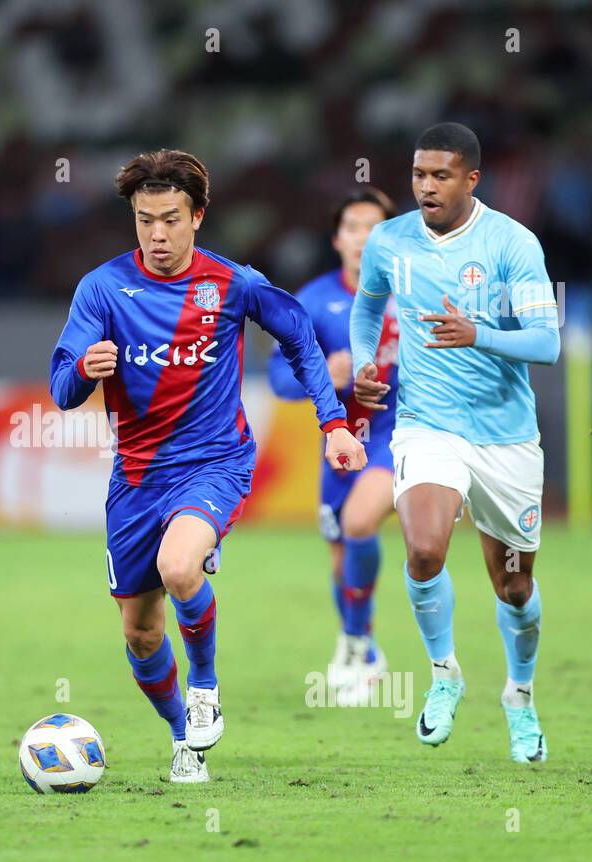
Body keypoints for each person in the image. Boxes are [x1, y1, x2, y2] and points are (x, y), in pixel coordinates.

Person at [49, 149, 366, 783]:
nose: (157, 235)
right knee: (140, 635)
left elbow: (299, 335)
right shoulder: (102, 287)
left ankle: (206, 685)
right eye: (144, 221)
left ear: (198, 215)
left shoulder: (233, 282)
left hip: (215, 462)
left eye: (170, 219)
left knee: (178, 564)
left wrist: (331, 422)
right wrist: (85, 370)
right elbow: (60, 387)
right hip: (136, 479)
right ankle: (182, 739)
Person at [350, 123, 560, 763]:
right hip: (426, 425)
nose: (426, 187)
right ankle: (445, 673)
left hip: (505, 437)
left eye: (440, 176)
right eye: (418, 175)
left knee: (515, 587)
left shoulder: (511, 243)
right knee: (423, 549)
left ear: (472, 178)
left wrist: (480, 335)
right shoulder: (390, 241)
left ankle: (519, 698)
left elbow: (547, 344)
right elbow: (367, 308)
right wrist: (364, 363)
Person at [269, 188, 399, 703]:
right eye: (354, 227)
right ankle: (364, 653)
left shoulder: (413, 295)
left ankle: (355, 641)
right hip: (340, 443)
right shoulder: (313, 300)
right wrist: (322, 374)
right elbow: (280, 375)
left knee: (360, 522)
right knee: (341, 559)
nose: (364, 239)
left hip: (397, 434)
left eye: (376, 229)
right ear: (337, 238)